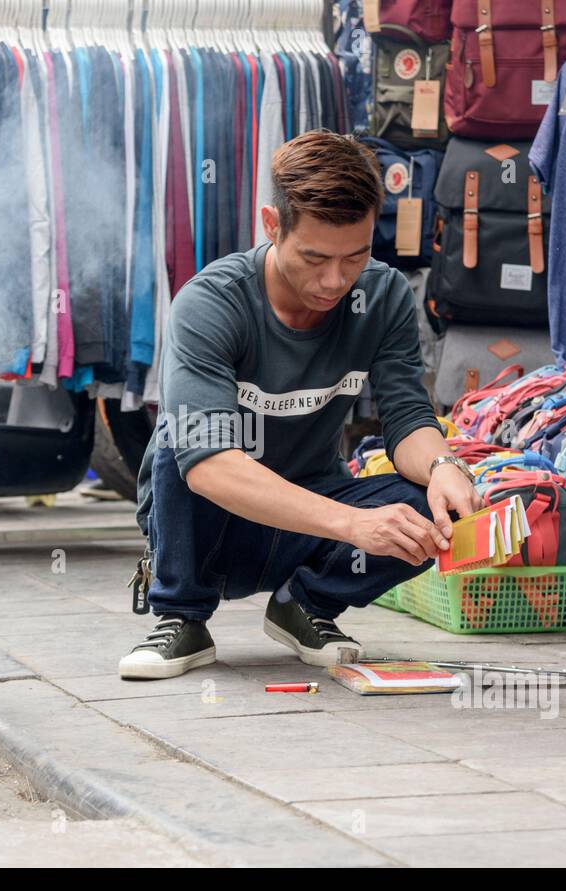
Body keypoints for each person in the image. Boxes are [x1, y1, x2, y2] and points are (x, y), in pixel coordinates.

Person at [120, 131, 482, 680]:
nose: (334, 281)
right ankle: (181, 616)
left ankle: (305, 604)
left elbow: (407, 417)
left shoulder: (381, 297)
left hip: (309, 516)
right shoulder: (212, 302)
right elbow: (211, 470)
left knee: (425, 502)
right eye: (314, 258)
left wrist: (443, 467)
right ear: (272, 224)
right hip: (212, 530)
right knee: (184, 443)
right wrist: (355, 525)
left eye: (354, 257)